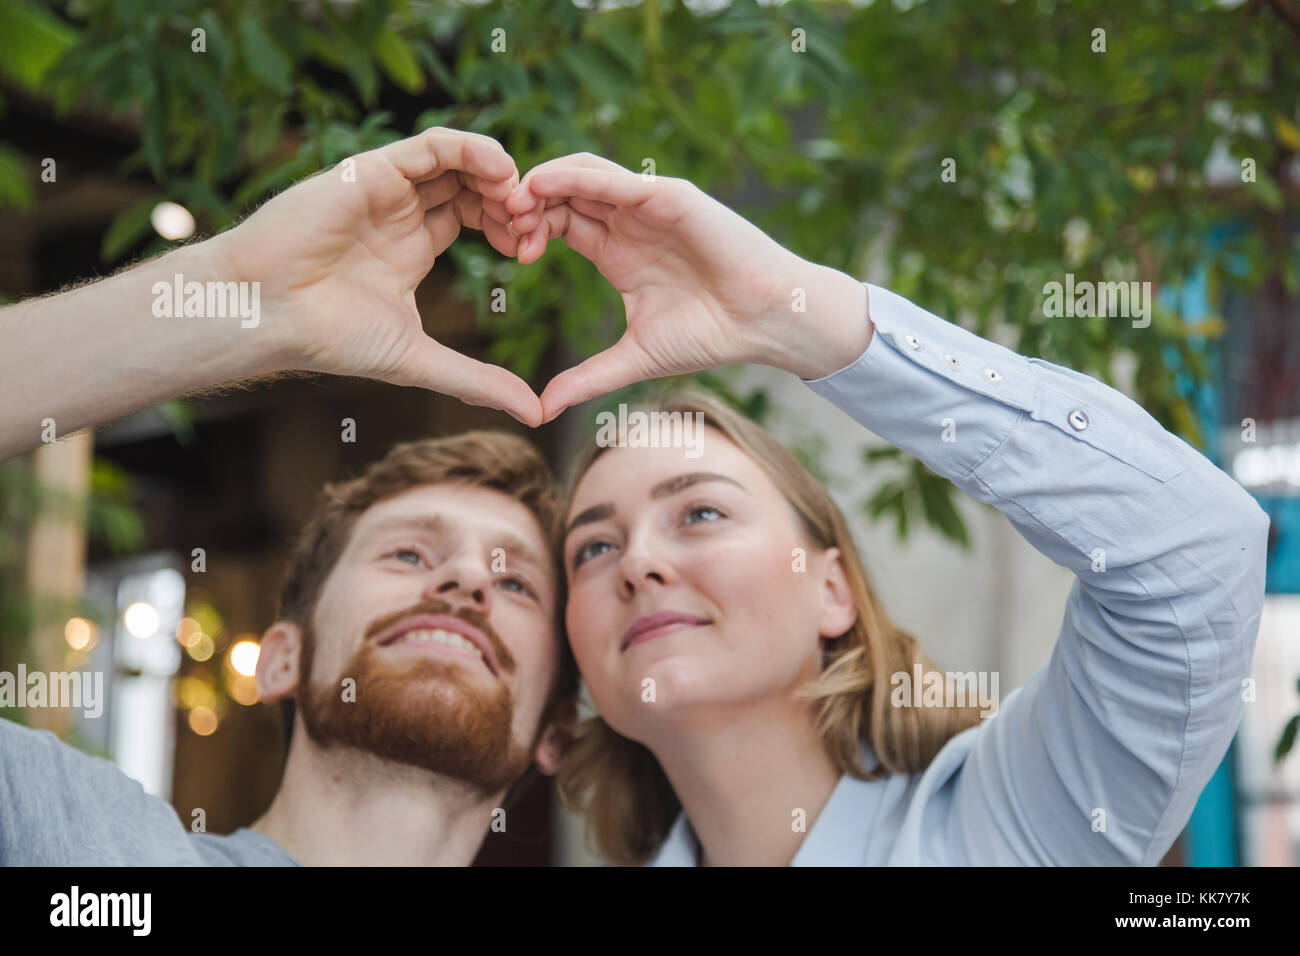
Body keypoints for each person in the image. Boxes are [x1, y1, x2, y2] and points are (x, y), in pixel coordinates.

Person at [502, 154, 1272, 865]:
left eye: (700, 513)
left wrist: (793, 315)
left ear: (832, 589)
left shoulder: (1007, 825)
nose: (638, 562)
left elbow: (1198, 549)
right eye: (593, 549)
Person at [0, 127, 579, 865]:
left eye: (515, 581)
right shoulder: (82, 851)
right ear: (281, 659)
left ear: (557, 728)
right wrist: (242, 299)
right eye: (407, 552)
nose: (467, 579)